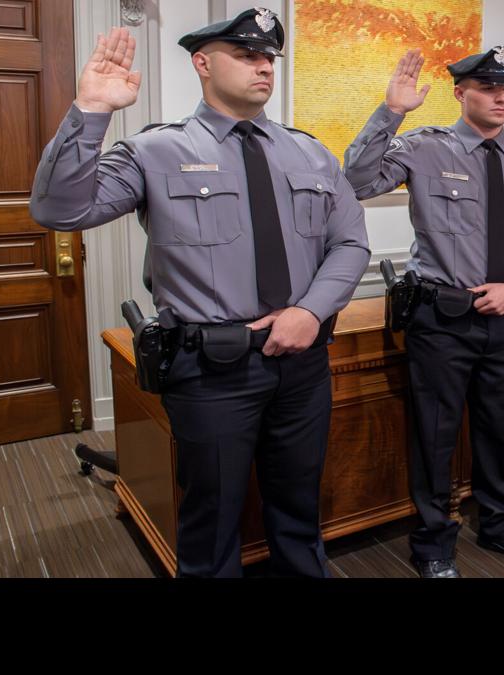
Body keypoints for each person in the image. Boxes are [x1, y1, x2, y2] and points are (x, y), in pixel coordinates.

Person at [30, 10, 369, 577]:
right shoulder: (155, 151)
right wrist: (91, 110)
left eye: (269, 57)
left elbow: (351, 244)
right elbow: (58, 209)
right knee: (210, 522)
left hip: (303, 362)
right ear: (202, 63)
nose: (264, 66)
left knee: (299, 506)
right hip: (214, 370)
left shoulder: (309, 152)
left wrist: (310, 312)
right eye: (246, 54)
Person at [343, 46, 504, 578]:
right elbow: (355, 181)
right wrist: (391, 112)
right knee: (436, 434)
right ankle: (433, 540)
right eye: (489, 87)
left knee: (498, 430)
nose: (501, 97)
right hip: (442, 318)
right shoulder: (424, 149)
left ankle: (500, 524)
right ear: (461, 92)